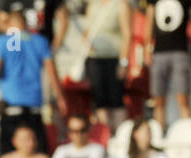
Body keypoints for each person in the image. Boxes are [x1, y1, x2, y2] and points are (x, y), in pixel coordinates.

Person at [0, 2, 65, 154]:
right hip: (34, 108)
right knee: (39, 155)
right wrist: (60, 97)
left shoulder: (6, 41)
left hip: (12, 108)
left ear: (9, 23)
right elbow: (52, 72)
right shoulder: (39, 41)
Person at [53, 0, 134, 129]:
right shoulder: (94, 4)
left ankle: (119, 134)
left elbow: (127, 34)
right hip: (94, 60)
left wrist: (124, 62)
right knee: (99, 101)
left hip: (113, 59)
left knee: (116, 101)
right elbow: (88, 28)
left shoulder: (121, 4)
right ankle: (105, 133)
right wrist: (87, 41)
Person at [146, 0, 191, 126]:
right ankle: (159, 135)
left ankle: (186, 131)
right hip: (159, 52)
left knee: (183, 98)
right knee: (158, 100)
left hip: (180, 51)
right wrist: (147, 49)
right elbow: (149, 23)